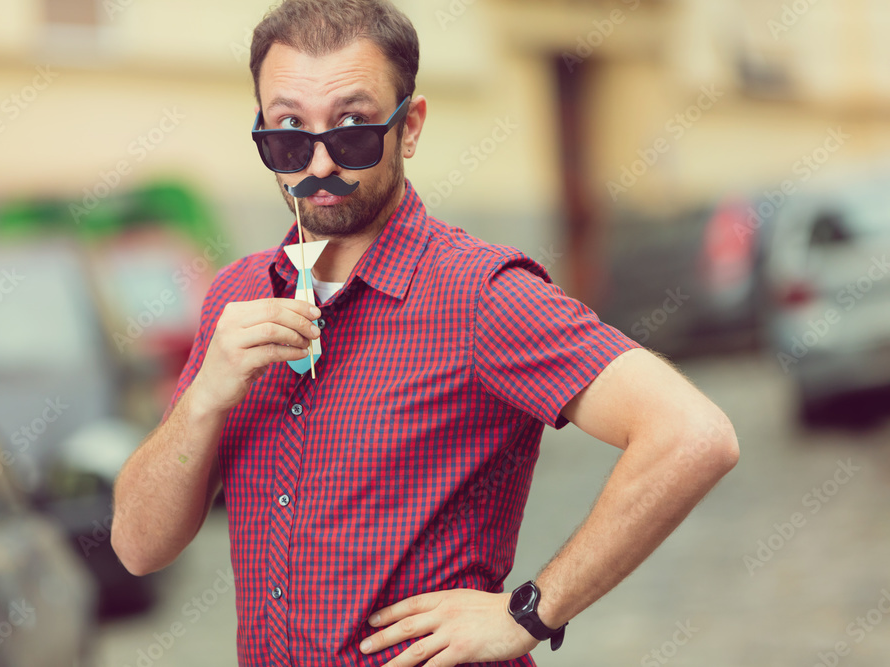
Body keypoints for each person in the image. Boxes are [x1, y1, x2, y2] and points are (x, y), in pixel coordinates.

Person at [110, 1, 740, 665]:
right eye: (290, 131)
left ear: (409, 126)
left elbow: (692, 435)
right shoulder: (235, 295)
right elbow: (138, 545)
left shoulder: (479, 293)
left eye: (352, 127)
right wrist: (207, 392)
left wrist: (530, 610)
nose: (319, 163)